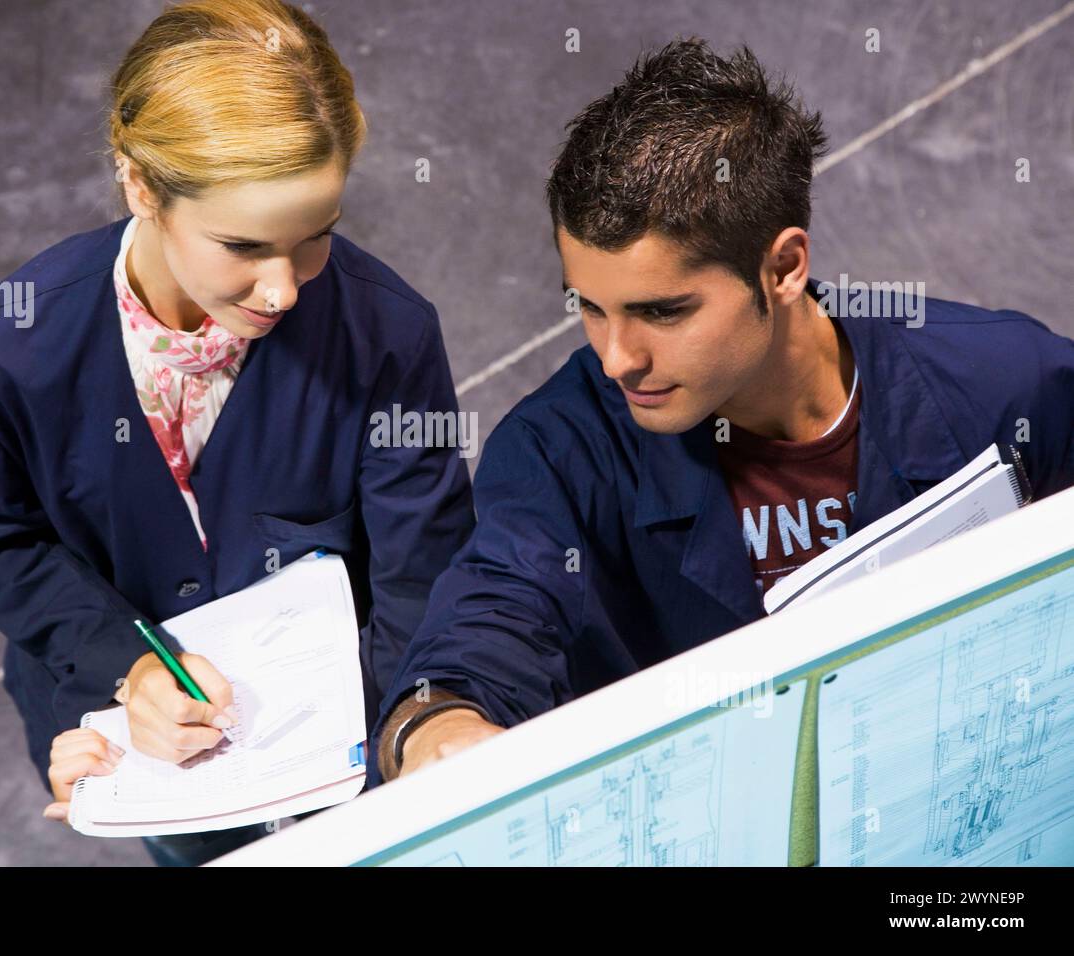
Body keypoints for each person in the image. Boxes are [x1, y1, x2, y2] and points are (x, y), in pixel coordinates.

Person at [372, 38, 1074, 783]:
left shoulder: (1006, 380)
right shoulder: (559, 452)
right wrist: (435, 724)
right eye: (591, 309)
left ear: (783, 267)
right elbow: (497, 607)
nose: (617, 359)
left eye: (662, 312)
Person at [0, 0, 474, 866]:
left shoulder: (390, 335)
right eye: (243, 245)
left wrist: (403, 739)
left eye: (315, 238)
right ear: (140, 185)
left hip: (352, 727)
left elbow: (420, 575)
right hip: (136, 736)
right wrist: (130, 668)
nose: (284, 289)